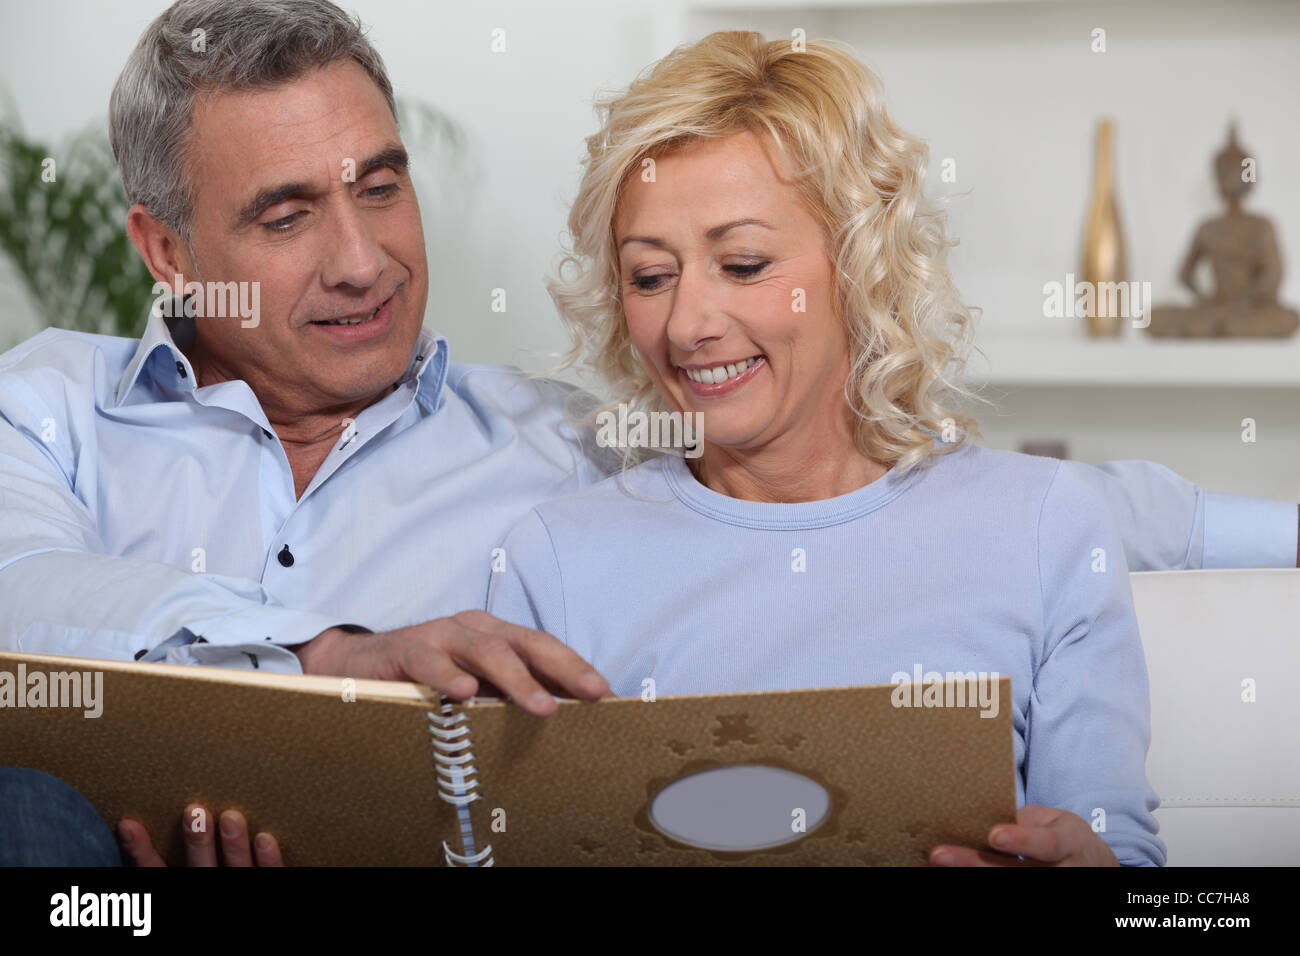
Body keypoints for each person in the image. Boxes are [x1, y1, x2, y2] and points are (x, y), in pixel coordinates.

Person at [0, 2, 1293, 867]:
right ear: (165, 251)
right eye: (285, 215)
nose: (362, 258)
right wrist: (330, 652)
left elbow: (986, 515)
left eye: (382, 186)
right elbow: (19, 593)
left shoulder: (563, 446)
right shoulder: (50, 406)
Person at [488, 30, 1179, 867]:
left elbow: (1139, 878)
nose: (686, 325)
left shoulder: (1046, 525)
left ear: (859, 264)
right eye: (649, 275)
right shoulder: (553, 559)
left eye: (741, 263)